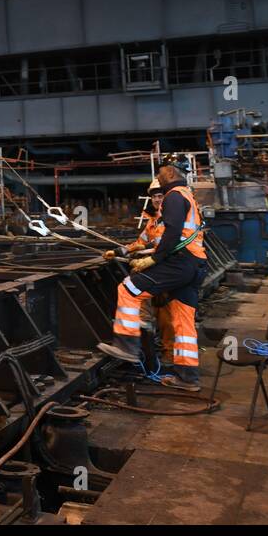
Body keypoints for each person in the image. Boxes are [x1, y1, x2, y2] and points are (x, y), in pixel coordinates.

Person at [98, 164, 206, 391]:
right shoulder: (185, 199)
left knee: (128, 289)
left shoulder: (174, 197)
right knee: (183, 321)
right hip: (194, 265)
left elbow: (173, 234)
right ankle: (188, 378)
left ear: (169, 178)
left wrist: (153, 261)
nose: (158, 199)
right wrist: (121, 252)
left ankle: (127, 346)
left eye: (159, 192)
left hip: (179, 262)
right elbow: (148, 241)